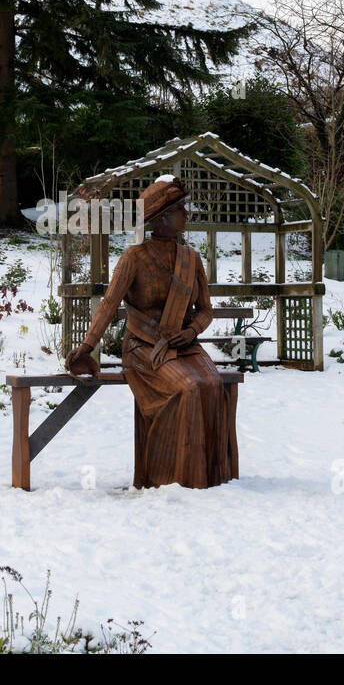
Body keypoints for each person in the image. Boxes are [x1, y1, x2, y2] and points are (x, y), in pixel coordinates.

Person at [65, 176, 237, 488]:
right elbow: (107, 305)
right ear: (162, 219)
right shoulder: (134, 257)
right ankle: (170, 474)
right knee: (189, 387)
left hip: (183, 345)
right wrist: (88, 346)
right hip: (142, 348)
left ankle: (209, 475)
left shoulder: (191, 259)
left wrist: (192, 331)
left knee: (213, 383)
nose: (187, 214)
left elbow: (206, 310)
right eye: (181, 209)